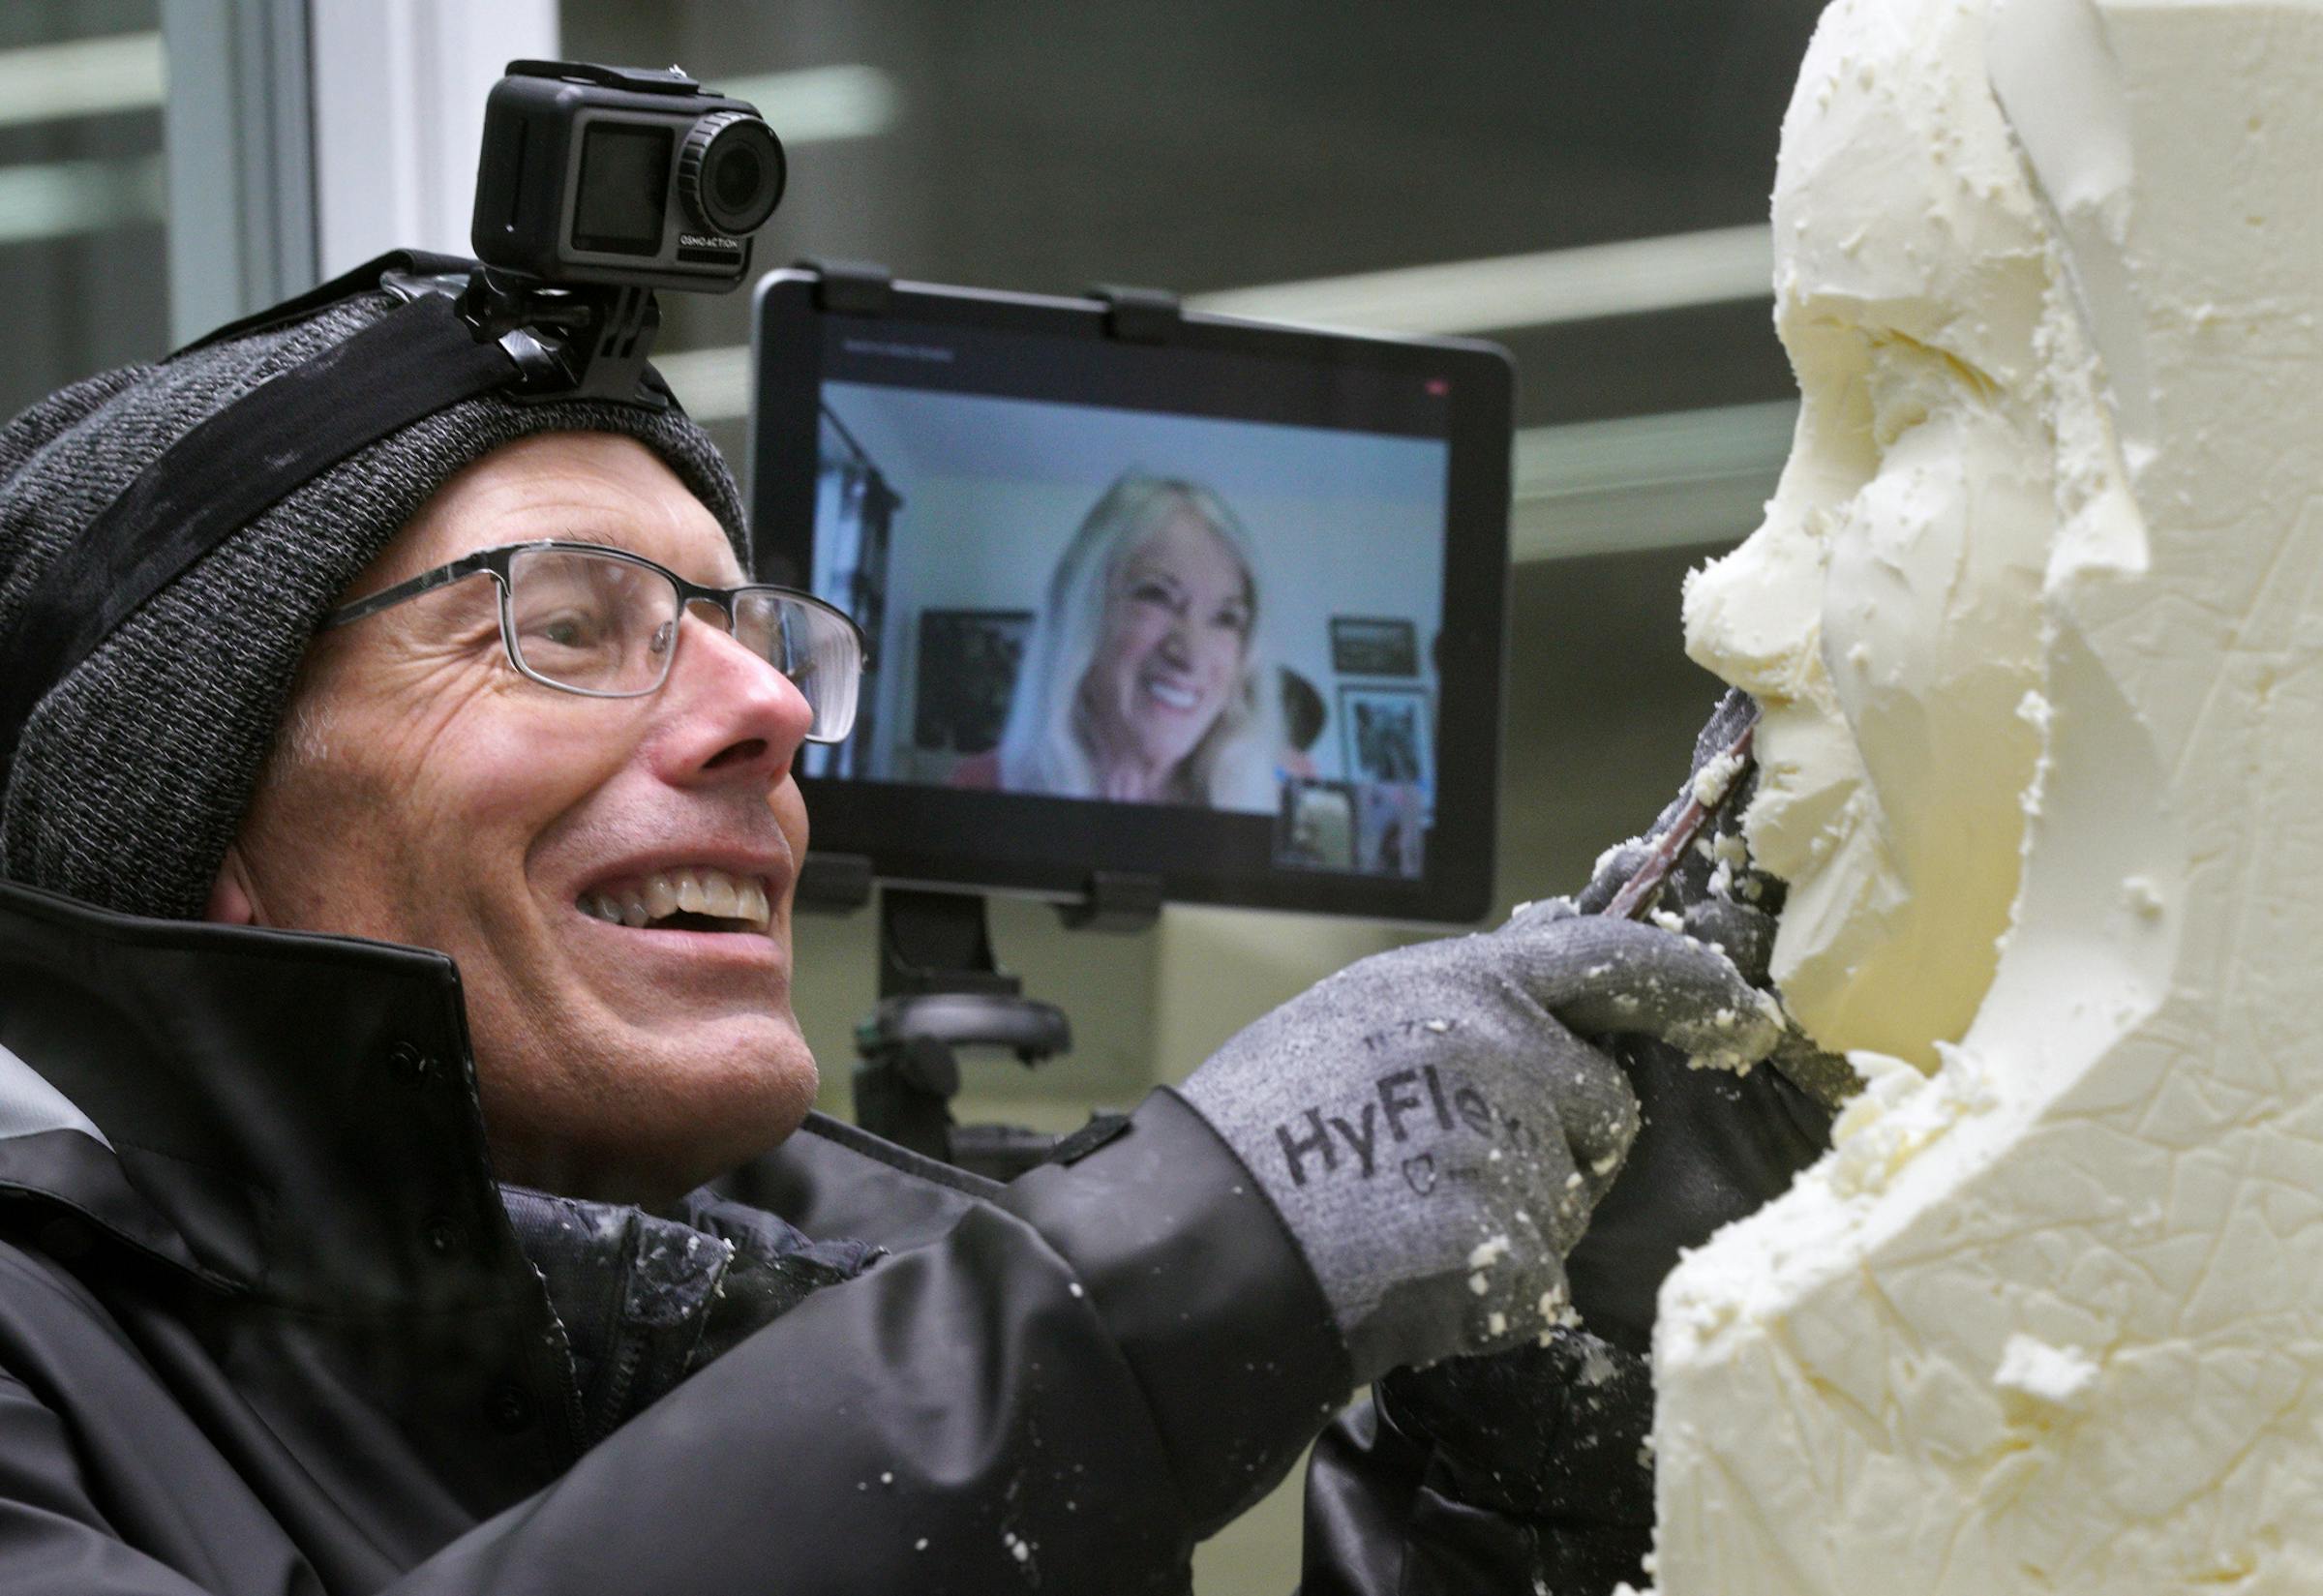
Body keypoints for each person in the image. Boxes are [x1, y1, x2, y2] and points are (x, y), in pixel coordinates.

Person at [0, 256, 1788, 1594]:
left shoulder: (869, 1313)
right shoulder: (39, 1383)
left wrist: (1509, 1491)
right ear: (207, 812)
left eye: (754, 636)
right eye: (565, 621)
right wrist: (1164, 1279)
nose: (772, 716)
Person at [952, 469, 1285, 807]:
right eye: (1156, 595)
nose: (1192, 656)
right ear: (1083, 615)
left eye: (1226, 618)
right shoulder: (984, 786)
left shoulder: (1287, 792)